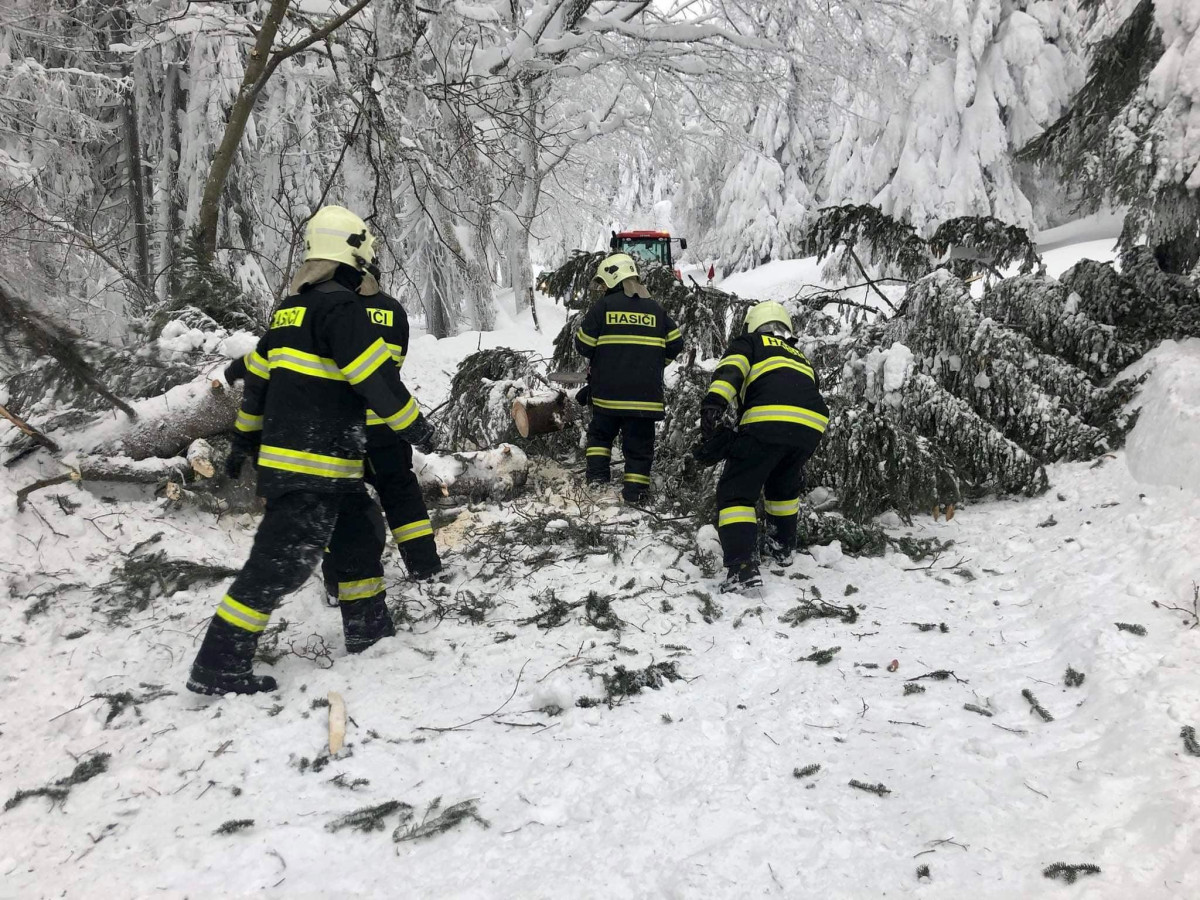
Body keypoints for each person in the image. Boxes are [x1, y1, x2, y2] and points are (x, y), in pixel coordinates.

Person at [187, 205, 436, 696]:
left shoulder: (289, 310)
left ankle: (368, 630)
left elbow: (257, 376)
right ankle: (219, 663)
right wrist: (416, 429)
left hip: (327, 466)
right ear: (351, 257)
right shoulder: (343, 312)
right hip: (311, 465)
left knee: (361, 533)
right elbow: (375, 380)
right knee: (280, 563)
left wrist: (243, 438)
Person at [700, 300, 829, 594]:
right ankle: (782, 548)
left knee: (736, 492)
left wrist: (713, 405)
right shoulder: (799, 355)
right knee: (783, 487)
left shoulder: (751, 342)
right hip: (809, 428)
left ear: (752, 324)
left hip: (767, 419)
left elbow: (731, 370)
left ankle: (742, 569)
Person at [574, 253, 683, 502]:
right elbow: (676, 343)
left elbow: (582, 344)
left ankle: (597, 481)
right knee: (640, 447)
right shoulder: (656, 309)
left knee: (600, 436)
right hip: (645, 398)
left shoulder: (603, 307)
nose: (602, 288)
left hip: (608, 395)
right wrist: (655, 363)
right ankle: (635, 494)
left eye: (604, 283)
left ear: (613, 277)